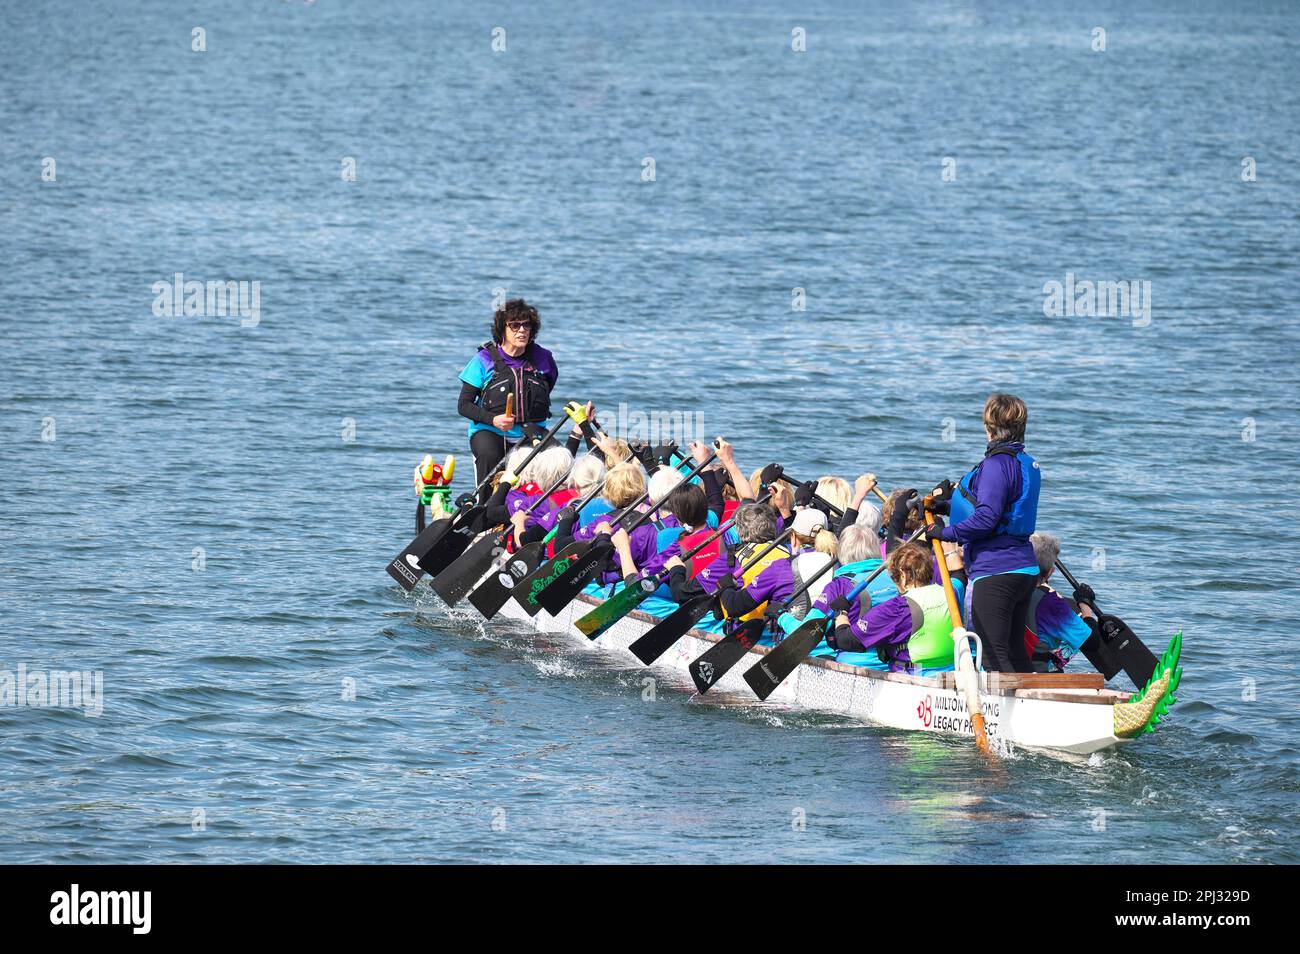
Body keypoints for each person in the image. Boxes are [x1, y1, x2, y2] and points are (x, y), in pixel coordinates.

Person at [924, 393, 1041, 672]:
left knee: (992, 655)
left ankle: (1007, 713)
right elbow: (1000, 508)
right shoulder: (1025, 463)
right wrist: (948, 505)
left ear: (989, 428)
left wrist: (944, 532)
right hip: (1024, 569)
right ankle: (1029, 704)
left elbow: (987, 519)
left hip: (996, 572)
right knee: (1014, 651)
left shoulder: (995, 466)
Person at [457, 299, 559, 496]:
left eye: (526, 325)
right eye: (515, 325)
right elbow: (464, 405)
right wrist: (493, 419)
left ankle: (550, 513)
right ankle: (485, 513)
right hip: (490, 431)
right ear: (502, 329)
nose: (522, 330)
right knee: (490, 455)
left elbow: (545, 391)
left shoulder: (544, 359)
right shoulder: (483, 360)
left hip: (532, 432)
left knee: (559, 459)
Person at [830, 543, 959, 673]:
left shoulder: (898, 608)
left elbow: (845, 640)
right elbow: (959, 575)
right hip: (950, 676)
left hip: (915, 681)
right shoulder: (951, 592)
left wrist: (841, 612)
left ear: (903, 575)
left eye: (893, 577)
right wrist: (949, 549)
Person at [774, 523, 899, 656]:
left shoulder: (839, 586)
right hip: (893, 662)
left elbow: (805, 634)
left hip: (854, 662)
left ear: (842, 551)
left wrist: (781, 616)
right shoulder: (897, 579)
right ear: (876, 548)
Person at [1024, 532, 1097, 672]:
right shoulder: (1052, 602)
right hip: (1035, 672)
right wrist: (1085, 606)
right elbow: (1091, 643)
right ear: (1051, 571)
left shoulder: (1003, 589)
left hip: (1004, 664)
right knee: (1077, 631)